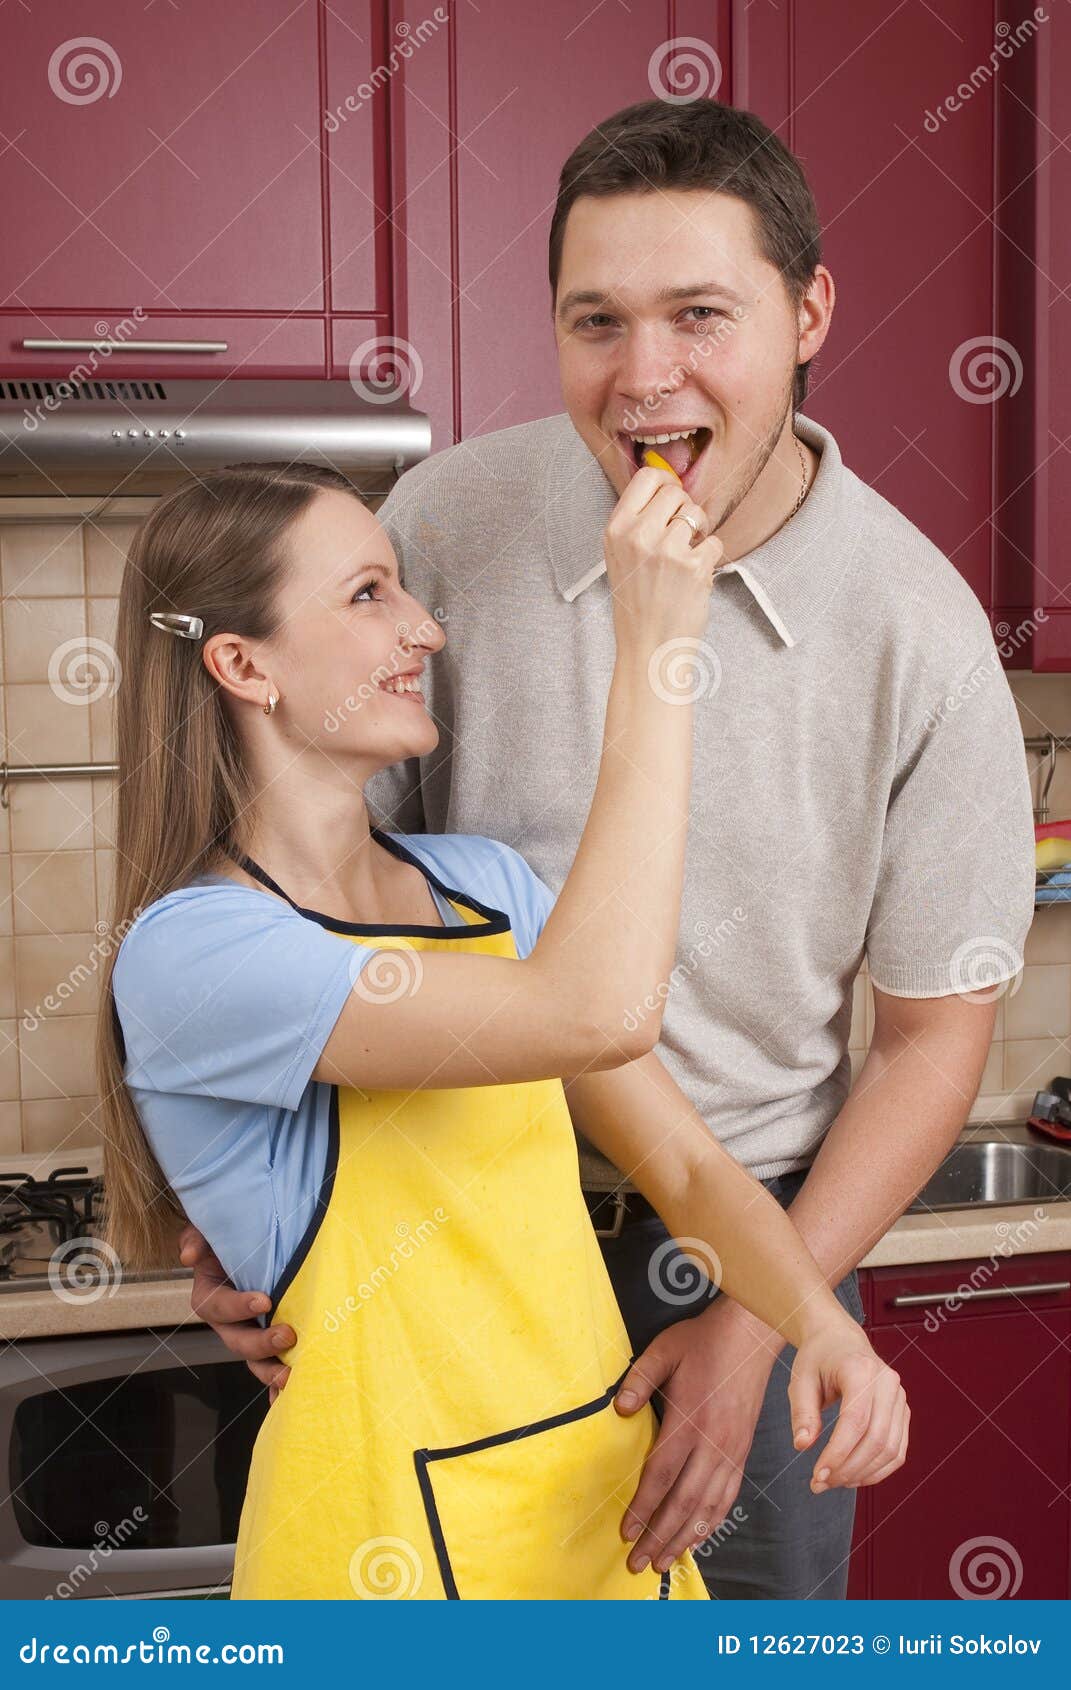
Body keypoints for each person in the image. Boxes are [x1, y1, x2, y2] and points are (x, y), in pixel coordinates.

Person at [184, 97, 1035, 1600]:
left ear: (807, 310)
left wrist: (759, 1317)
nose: (644, 379)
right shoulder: (446, 522)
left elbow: (924, 1043)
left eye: (698, 315)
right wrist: (238, 1196)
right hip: (430, 1226)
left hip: (741, 1238)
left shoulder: (917, 629)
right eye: (597, 321)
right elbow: (302, 892)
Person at [100, 460, 907, 1601]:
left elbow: (679, 1158)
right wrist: (654, 653)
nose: (423, 627)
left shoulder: (486, 888)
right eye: (370, 593)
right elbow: (596, 1010)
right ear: (242, 664)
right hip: (384, 1553)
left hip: (600, 1528)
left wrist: (821, 1326)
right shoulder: (199, 953)